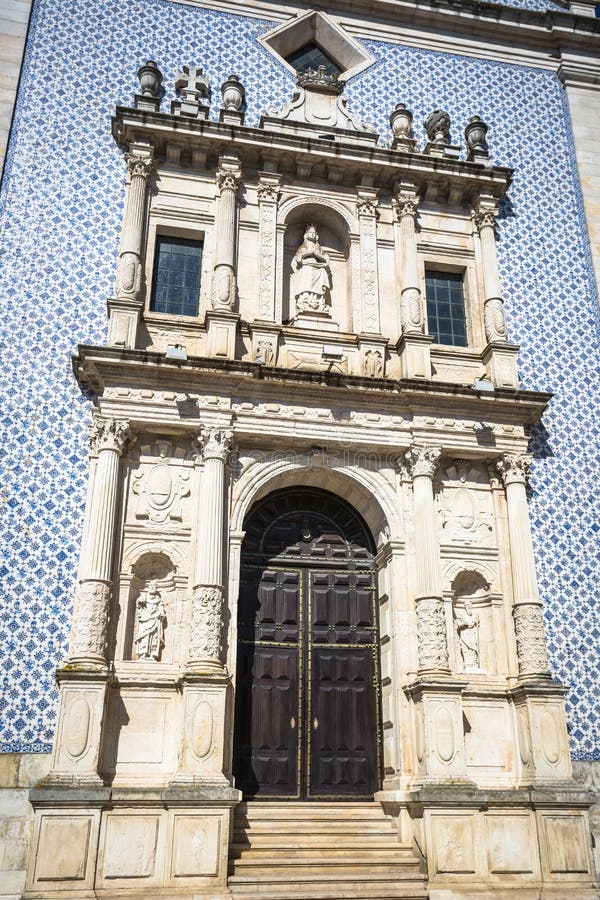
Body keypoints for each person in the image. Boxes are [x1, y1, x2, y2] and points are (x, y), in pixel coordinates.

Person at [291, 224, 331, 313]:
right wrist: (309, 253)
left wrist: (317, 254)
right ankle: (305, 299)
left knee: (323, 272)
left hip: (318, 267)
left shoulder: (319, 248)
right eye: (310, 232)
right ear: (306, 234)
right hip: (307, 265)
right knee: (307, 276)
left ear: (316, 235)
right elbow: (298, 258)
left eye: (314, 232)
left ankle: (318, 300)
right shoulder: (303, 247)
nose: (312, 234)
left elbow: (326, 259)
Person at [135, 580, 166, 661]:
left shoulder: (158, 599)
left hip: (155, 618)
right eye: (151, 586)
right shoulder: (144, 596)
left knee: (154, 637)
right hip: (145, 618)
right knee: (144, 636)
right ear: (148, 588)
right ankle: (143, 653)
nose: (152, 588)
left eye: (154, 587)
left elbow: (161, 607)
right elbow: (138, 603)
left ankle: (153, 654)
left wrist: (161, 612)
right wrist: (139, 602)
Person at [455, 600, 480, 670]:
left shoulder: (475, 615)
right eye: (467, 605)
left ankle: (474, 664)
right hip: (465, 634)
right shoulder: (462, 615)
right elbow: (458, 624)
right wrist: (465, 623)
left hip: (473, 634)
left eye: (470, 605)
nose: (469, 606)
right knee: (466, 649)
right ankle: (467, 664)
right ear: (465, 607)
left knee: (473, 649)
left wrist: (475, 621)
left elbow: (477, 622)